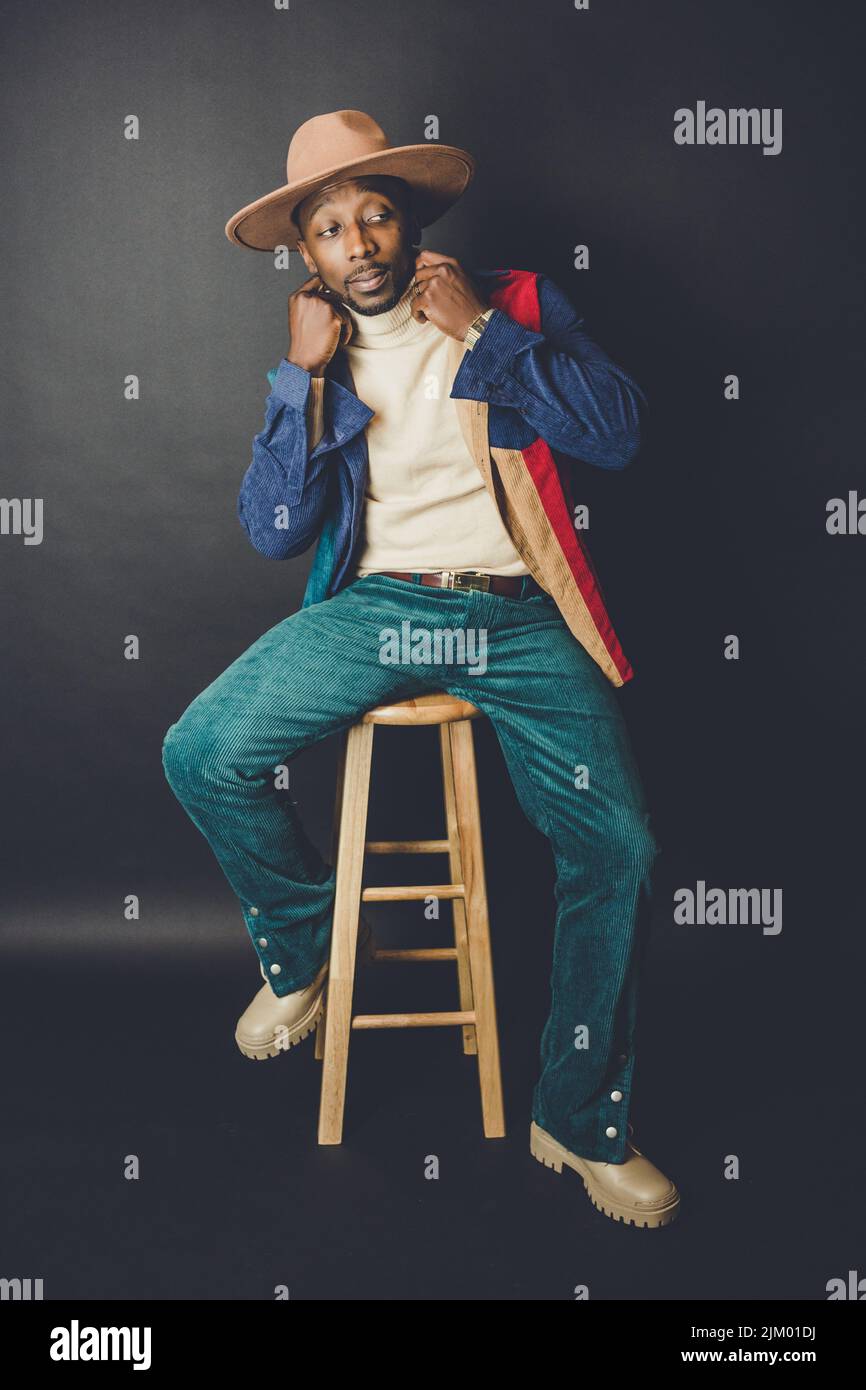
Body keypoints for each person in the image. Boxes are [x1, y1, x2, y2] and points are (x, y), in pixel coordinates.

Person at [162, 109, 680, 1228]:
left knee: (619, 849)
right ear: (307, 256)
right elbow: (273, 531)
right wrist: (297, 382)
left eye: (376, 216)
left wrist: (485, 330)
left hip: (519, 616)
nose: (358, 243)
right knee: (202, 750)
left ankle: (575, 1116)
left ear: (410, 225)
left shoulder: (517, 304)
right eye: (330, 228)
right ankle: (307, 950)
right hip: (385, 610)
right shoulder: (317, 358)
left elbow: (620, 432)